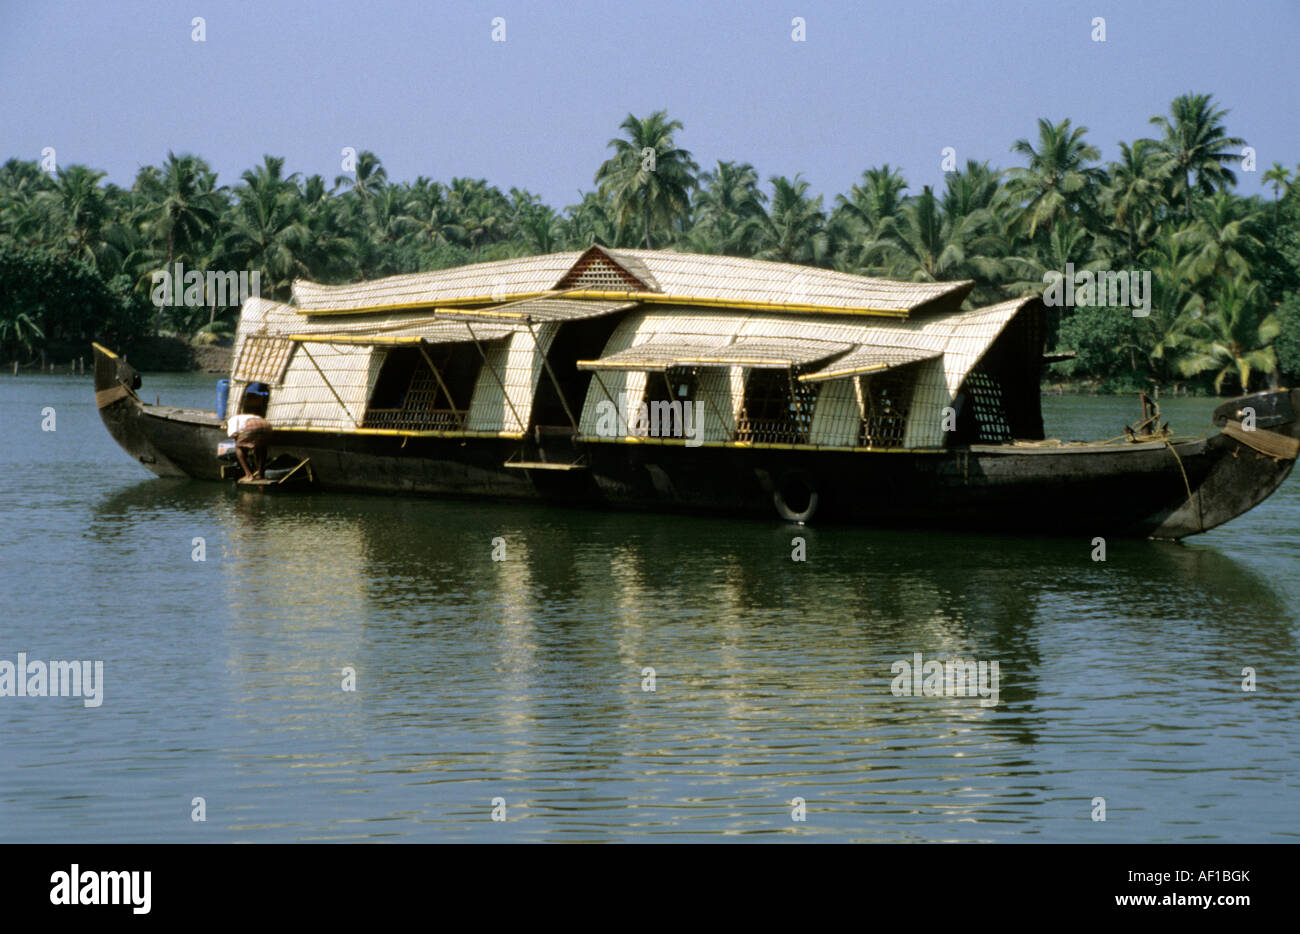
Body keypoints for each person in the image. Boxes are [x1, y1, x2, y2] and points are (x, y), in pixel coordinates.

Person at [227, 411, 272, 481]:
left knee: (238, 447)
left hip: (252, 425)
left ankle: (248, 475)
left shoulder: (231, 421)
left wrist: (244, 448)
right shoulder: (248, 416)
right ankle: (260, 474)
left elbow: (234, 434)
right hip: (267, 425)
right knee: (261, 447)